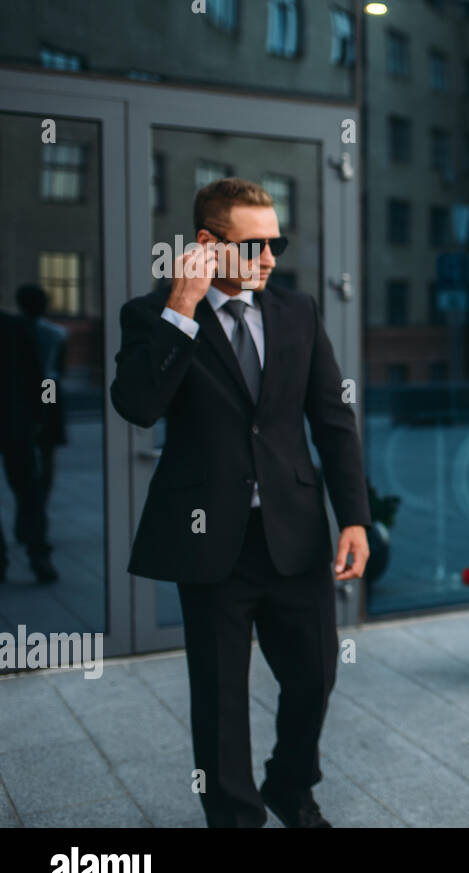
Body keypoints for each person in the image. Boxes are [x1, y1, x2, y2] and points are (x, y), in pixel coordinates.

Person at [110, 177, 371, 827]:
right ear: (207, 243)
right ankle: (236, 817)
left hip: (296, 531)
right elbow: (138, 406)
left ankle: (289, 783)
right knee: (222, 700)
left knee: (314, 677)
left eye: (276, 241)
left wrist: (357, 519)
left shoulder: (299, 311)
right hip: (210, 538)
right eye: (256, 244)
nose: (271, 256)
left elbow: (333, 422)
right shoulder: (153, 315)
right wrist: (182, 307)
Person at [0, 307, 56, 584]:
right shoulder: (16, 327)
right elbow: (39, 375)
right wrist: (41, 415)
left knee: (27, 487)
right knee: (27, 488)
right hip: (16, 422)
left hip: (16, 420)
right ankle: (37, 552)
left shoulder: (17, 327)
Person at [16, 284, 68, 512]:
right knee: (46, 451)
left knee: (26, 449)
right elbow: (59, 368)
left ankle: (30, 502)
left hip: (22, 393)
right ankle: (40, 502)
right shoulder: (55, 333)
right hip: (48, 387)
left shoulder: (14, 330)